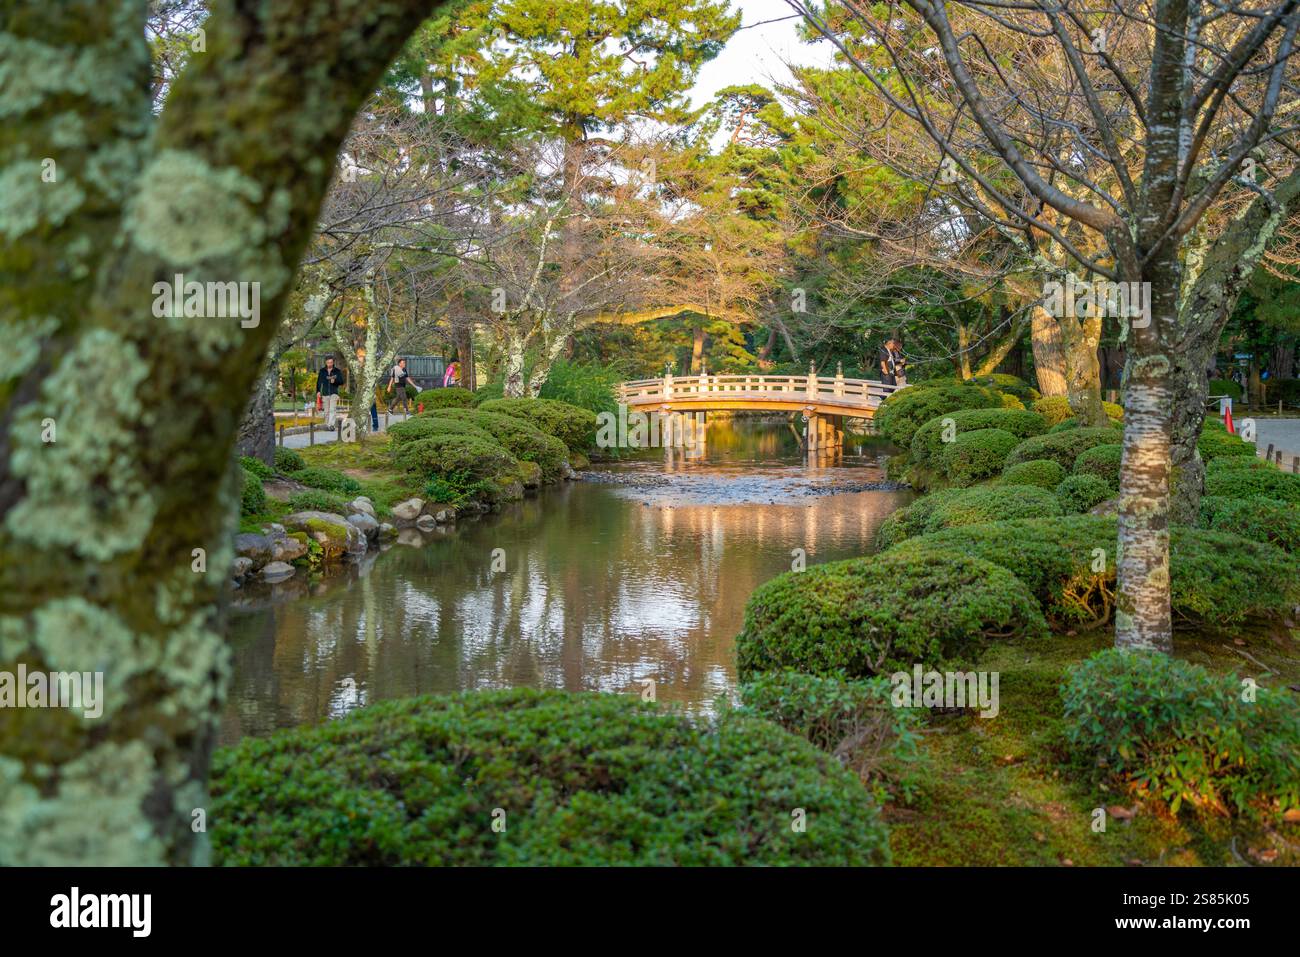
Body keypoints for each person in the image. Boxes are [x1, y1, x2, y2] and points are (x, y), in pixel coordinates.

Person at [315, 356, 342, 427]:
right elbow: (319, 382)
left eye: (331, 362)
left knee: (332, 409)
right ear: (326, 363)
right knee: (326, 411)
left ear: (333, 362)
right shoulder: (322, 371)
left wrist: (335, 381)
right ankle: (327, 424)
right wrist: (318, 391)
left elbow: (341, 381)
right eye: (328, 363)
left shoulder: (337, 371)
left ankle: (331, 425)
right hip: (325, 393)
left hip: (334, 393)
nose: (329, 364)